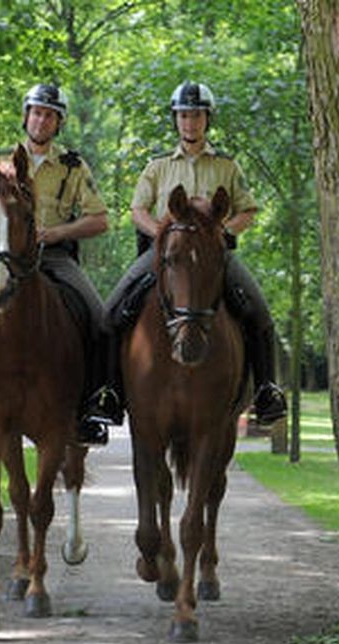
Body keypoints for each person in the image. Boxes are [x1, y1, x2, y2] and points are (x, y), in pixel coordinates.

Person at [0, 83, 121, 447]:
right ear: (26, 116)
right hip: (0, 256)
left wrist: (57, 233)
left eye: (49, 114)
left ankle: (90, 408)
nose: (41, 119)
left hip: (52, 256)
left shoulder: (72, 166)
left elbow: (100, 219)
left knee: (100, 317)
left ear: (58, 122)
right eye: (36, 112)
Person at [105, 81, 287, 426]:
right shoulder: (156, 167)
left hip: (213, 256)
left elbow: (248, 209)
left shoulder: (227, 167)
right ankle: (109, 392)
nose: (190, 123)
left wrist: (225, 231)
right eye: (184, 116)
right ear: (176, 120)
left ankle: (266, 390)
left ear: (207, 119)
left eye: (197, 116)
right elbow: (138, 210)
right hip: (166, 254)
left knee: (259, 312)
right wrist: (161, 233)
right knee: (112, 310)